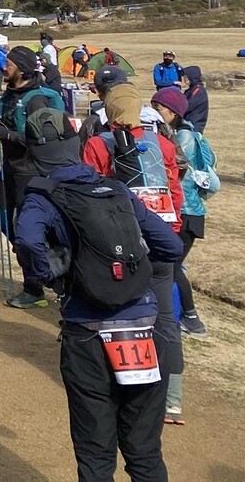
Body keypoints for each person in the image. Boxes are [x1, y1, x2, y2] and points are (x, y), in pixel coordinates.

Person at [14, 153, 182, 482]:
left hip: (88, 333)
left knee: (95, 455)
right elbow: (172, 246)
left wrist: (49, 276)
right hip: (143, 329)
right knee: (145, 453)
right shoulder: (118, 190)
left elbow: (27, 240)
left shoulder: (44, 196)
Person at [82, 83, 185, 425]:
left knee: (120, 314)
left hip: (123, 244)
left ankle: (123, 387)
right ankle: (171, 399)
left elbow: (91, 194)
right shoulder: (165, 145)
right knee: (166, 319)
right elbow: (175, 191)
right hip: (162, 238)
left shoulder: (98, 144)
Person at [0, 45, 71, 308]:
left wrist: (9, 135)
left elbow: (42, 140)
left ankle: (39, 285)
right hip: (12, 170)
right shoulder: (12, 94)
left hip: (31, 172)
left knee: (29, 229)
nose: (5, 67)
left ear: (23, 69)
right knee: (5, 221)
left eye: (10, 64)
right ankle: (40, 276)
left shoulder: (36, 100)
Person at [151, 86, 216, 340]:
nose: (155, 112)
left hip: (186, 211)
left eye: (159, 108)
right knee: (171, 265)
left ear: (173, 112)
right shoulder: (179, 133)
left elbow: (176, 173)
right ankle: (173, 314)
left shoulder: (183, 138)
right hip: (184, 210)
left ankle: (191, 318)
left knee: (172, 265)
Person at [181, 66, 209, 133]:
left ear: (192, 78)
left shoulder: (198, 90)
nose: (184, 80)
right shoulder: (190, 89)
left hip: (195, 124)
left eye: (186, 78)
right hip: (188, 122)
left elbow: (187, 106)